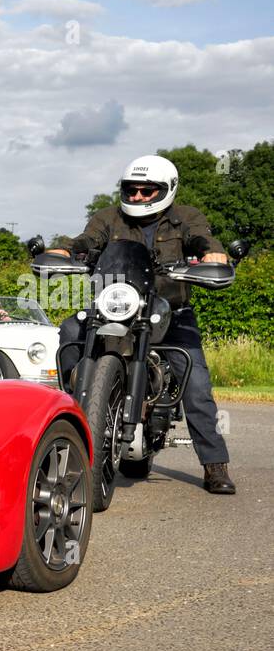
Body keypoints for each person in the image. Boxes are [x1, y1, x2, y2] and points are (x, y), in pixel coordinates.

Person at [48, 154, 234, 495]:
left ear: (166, 190)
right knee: (70, 332)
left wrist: (211, 253)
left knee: (195, 384)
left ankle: (214, 464)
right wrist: (67, 251)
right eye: (131, 190)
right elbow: (88, 240)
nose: (137, 197)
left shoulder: (186, 217)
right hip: (116, 307)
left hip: (169, 310)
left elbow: (200, 238)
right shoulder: (108, 217)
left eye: (147, 191)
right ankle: (72, 416)